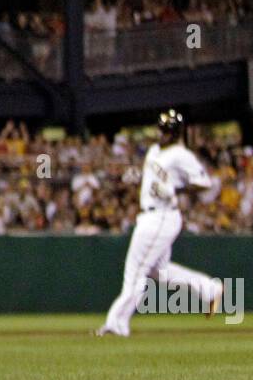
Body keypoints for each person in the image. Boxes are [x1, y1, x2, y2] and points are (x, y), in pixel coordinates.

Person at [96, 110, 223, 336]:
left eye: (168, 129)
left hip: (162, 215)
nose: (163, 133)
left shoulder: (181, 155)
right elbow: (150, 178)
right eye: (162, 128)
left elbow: (204, 182)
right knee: (160, 272)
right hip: (150, 214)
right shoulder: (154, 150)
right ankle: (209, 289)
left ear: (176, 133)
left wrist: (176, 189)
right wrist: (135, 176)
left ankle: (116, 324)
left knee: (136, 271)